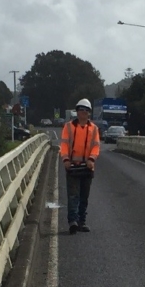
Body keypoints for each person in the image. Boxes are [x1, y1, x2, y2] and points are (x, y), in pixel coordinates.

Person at [59, 99, 101, 234]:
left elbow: (96, 146)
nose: (82, 113)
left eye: (85, 110)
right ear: (76, 111)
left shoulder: (94, 129)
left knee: (84, 196)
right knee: (73, 196)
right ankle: (73, 222)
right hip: (72, 166)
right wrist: (65, 159)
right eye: (80, 110)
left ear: (88, 113)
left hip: (87, 167)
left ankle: (81, 222)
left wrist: (91, 159)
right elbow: (64, 144)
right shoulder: (69, 127)